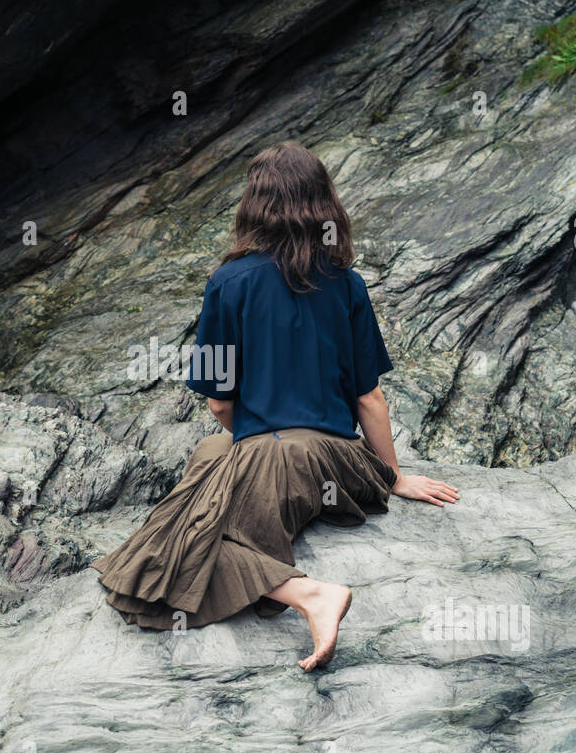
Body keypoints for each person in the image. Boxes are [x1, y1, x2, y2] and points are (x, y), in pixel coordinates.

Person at [92, 141, 458, 671]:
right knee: (208, 456)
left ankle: (311, 595)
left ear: (254, 204)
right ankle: (300, 582)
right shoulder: (347, 283)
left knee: (170, 550)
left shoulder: (227, 284)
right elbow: (368, 397)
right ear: (322, 203)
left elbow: (221, 404)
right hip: (340, 463)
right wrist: (391, 475)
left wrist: (260, 438)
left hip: (274, 456)